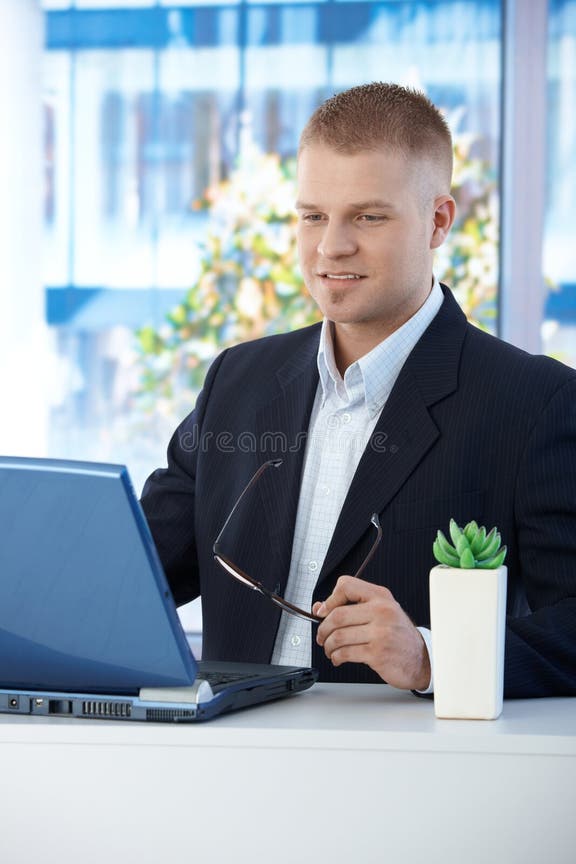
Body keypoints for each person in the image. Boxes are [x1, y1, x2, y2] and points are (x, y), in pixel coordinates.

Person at [141, 82, 576, 698]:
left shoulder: (536, 403)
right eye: (313, 215)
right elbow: (132, 577)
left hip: (407, 776)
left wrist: (431, 655)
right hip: (228, 769)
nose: (330, 246)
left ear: (438, 221)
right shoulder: (236, 381)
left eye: (368, 217)